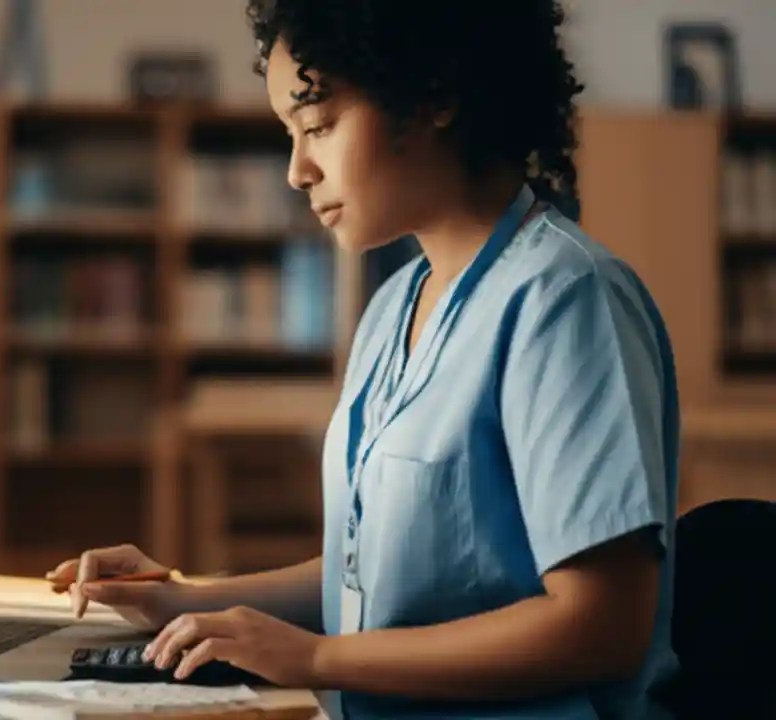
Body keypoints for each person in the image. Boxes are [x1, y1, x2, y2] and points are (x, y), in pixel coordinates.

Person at [47, 0, 679, 717]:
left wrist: (315, 657)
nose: (296, 170)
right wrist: (182, 600)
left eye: (317, 126)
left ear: (432, 97)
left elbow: (600, 626)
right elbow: (368, 579)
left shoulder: (566, 300)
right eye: (290, 134)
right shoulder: (394, 308)